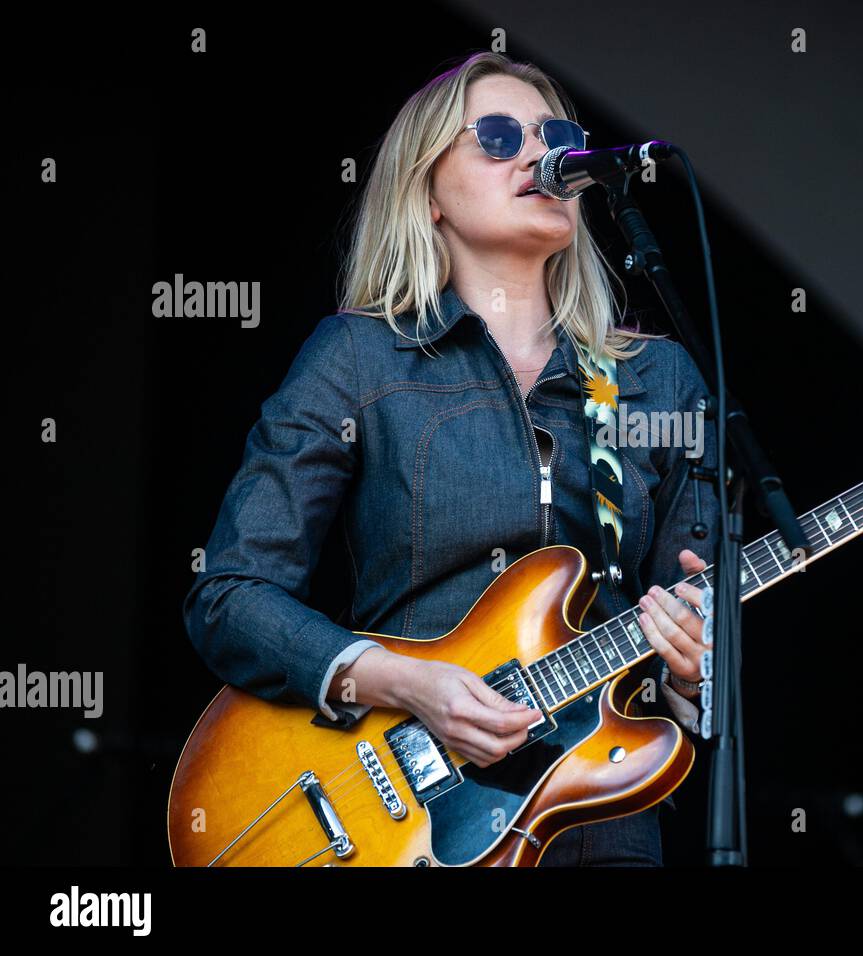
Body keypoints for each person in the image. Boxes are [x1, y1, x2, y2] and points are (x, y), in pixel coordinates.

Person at [182, 50, 719, 867]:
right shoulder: (361, 359)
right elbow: (231, 595)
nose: (542, 156)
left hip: (600, 828)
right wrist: (404, 681)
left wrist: (691, 671)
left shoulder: (656, 378)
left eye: (558, 136)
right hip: (403, 822)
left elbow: (696, 633)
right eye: (499, 137)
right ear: (427, 191)